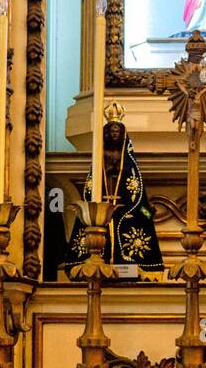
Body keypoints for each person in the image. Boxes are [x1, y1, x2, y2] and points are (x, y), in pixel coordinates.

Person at [61, 106, 164, 278]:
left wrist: (146, 210)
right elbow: (93, 181)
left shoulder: (126, 157)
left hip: (124, 206)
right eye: (112, 131)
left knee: (138, 218)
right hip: (103, 204)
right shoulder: (102, 155)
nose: (115, 134)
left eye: (118, 131)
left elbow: (136, 186)